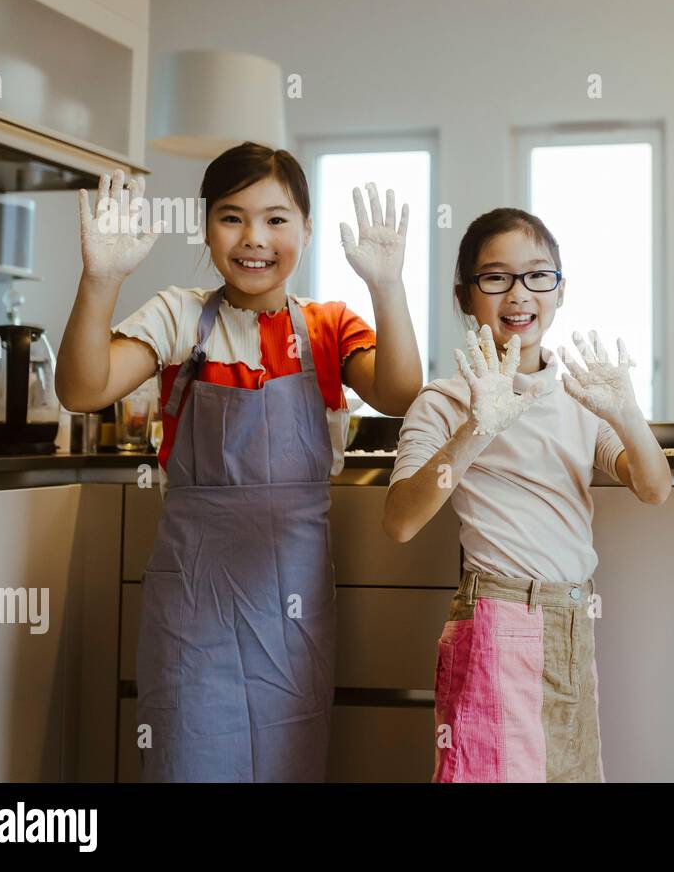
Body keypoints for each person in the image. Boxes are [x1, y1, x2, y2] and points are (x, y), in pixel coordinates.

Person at [56, 143, 424, 780]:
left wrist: (387, 287)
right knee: (186, 752)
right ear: (206, 227)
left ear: (307, 229)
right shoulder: (178, 315)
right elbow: (82, 390)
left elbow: (398, 392)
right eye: (232, 216)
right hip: (193, 597)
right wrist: (101, 280)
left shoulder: (329, 326)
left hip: (292, 604)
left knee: (289, 756)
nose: (254, 238)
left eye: (277, 219)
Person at [383, 207, 671, 782]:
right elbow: (400, 521)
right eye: (496, 277)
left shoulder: (581, 396)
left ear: (559, 292)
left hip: (571, 618)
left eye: (538, 275)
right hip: (498, 617)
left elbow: (653, 486)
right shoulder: (443, 401)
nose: (519, 293)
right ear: (466, 297)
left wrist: (627, 414)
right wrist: (477, 428)